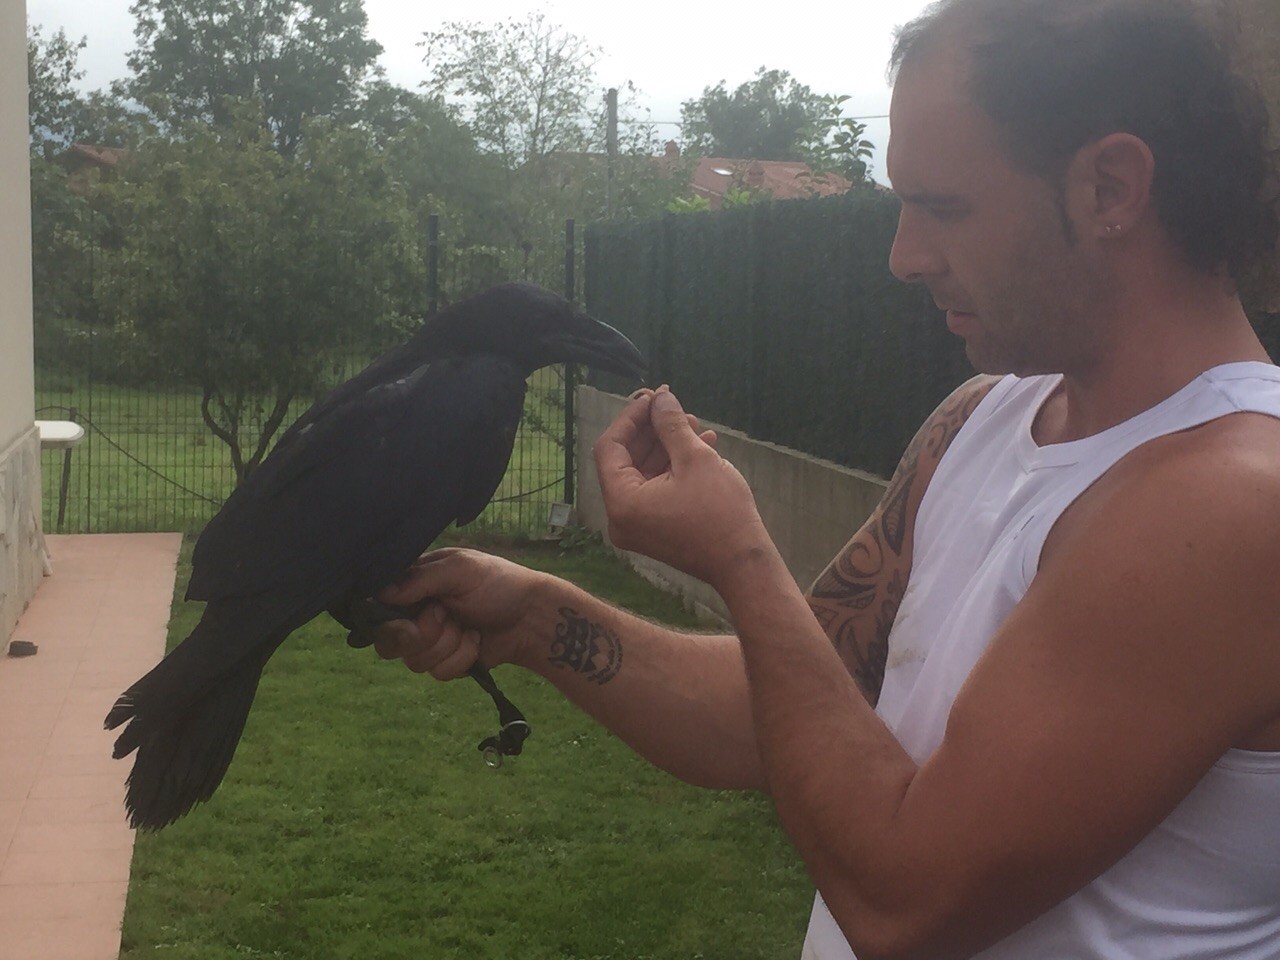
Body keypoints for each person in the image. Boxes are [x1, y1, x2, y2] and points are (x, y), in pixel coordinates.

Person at [373, 0, 1280, 956]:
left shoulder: (1229, 500)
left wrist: (740, 557)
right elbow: (784, 712)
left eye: (944, 206)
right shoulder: (981, 419)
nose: (902, 256)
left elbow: (903, 898)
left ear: (1111, 187)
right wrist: (534, 617)